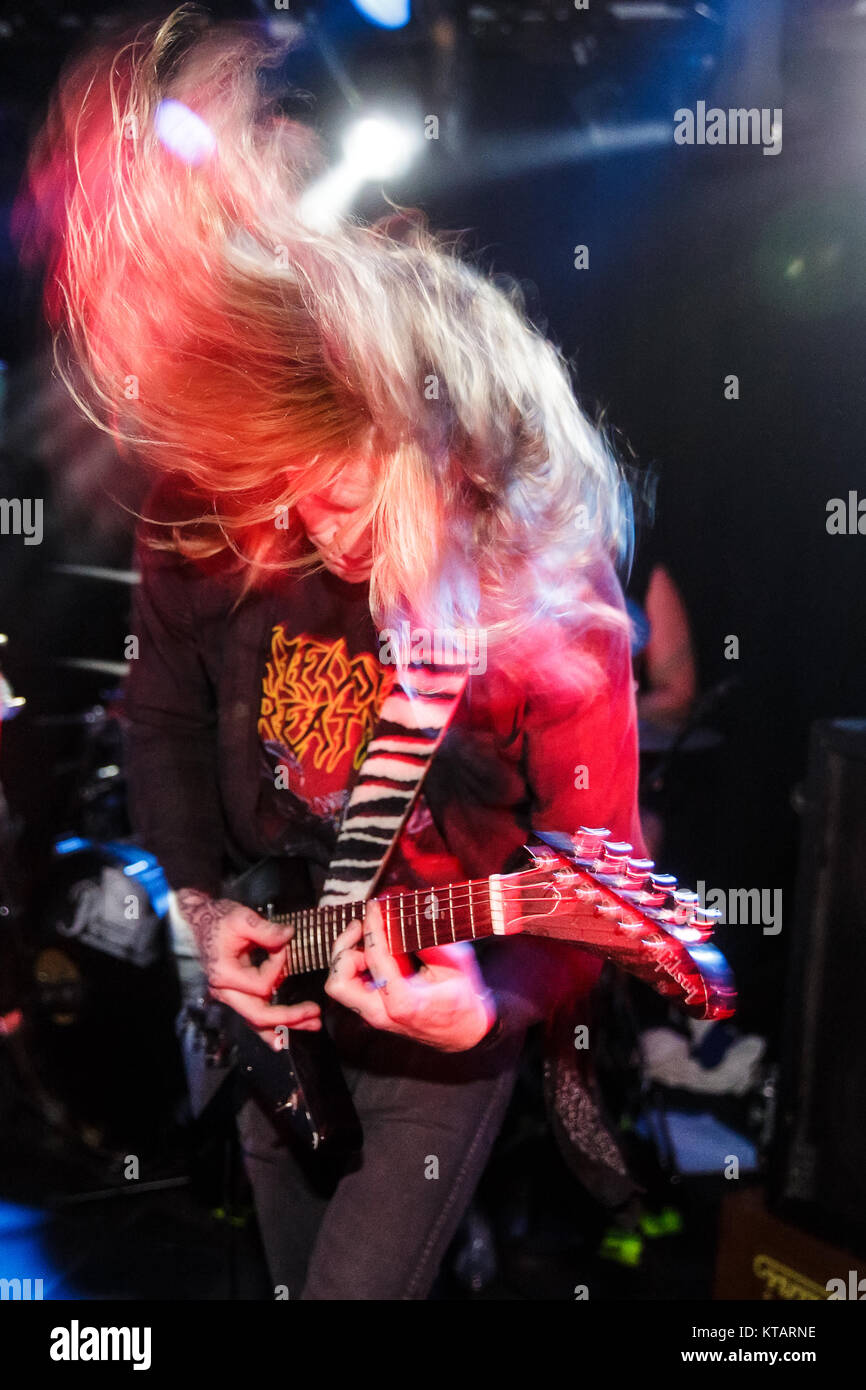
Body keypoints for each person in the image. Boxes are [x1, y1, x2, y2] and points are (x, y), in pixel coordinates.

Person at [21, 9, 644, 1298]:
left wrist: (494, 1000)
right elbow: (162, 720)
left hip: (435, 1048)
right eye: (294, 491)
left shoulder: (546, 590)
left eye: (347, 496)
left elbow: (605, 870)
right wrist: (205, 909)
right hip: (278, 987)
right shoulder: (236, 499)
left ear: (445, 454)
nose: (312, 527)